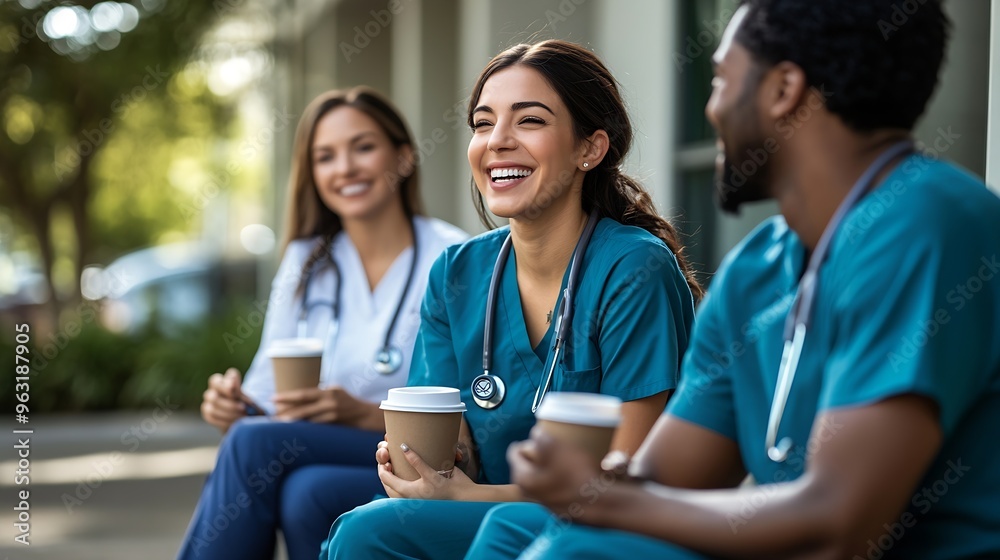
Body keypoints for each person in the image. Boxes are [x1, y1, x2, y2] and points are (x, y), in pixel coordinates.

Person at [472, 1, 1000, 559]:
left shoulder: (927, 223)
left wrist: (597, 498)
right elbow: (667, 480)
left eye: (722, 79)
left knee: (572, 550)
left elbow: (838, 527)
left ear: (783, 90)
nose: (712, 107)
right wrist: (580, 478)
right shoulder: (758, 269)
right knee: (514, 530)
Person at [320, 39, 702, 559]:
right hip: (486, 510)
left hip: (606, 525)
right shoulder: (456, 273)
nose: (497, 141)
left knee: (407, 532)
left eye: (530, 121)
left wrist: (469, 497)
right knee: (363, 529)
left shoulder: (634, 268)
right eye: (483, 124)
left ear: (590, 149)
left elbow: (624, 479)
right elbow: (447, 443)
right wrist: (436, 462)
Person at [176, 86, 467, 560]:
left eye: (363, 147)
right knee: (304, 490)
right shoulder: (306, 261)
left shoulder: (453, 257)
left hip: (412, 457)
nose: (345, 168)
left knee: (254, 447)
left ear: (404, 157)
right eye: (325, 156)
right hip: (323, 451)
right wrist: (233, 406)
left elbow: (468, 414)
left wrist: (361, 413)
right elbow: (267, 397)